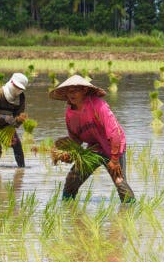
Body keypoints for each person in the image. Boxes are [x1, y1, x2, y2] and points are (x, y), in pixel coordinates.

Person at [49, 74, 135, 203]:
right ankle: (67, 209)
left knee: (119, 181)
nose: (71, 93)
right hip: (94, 148)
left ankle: (131, 211)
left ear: (84, 90)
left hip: (113, 148)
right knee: (72, 179)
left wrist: (115, 160)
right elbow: (76, 140)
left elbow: (115, 133)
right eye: (68, 90)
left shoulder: (98, 105)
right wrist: (69, 153)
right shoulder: (69, 114)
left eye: (75, 90)